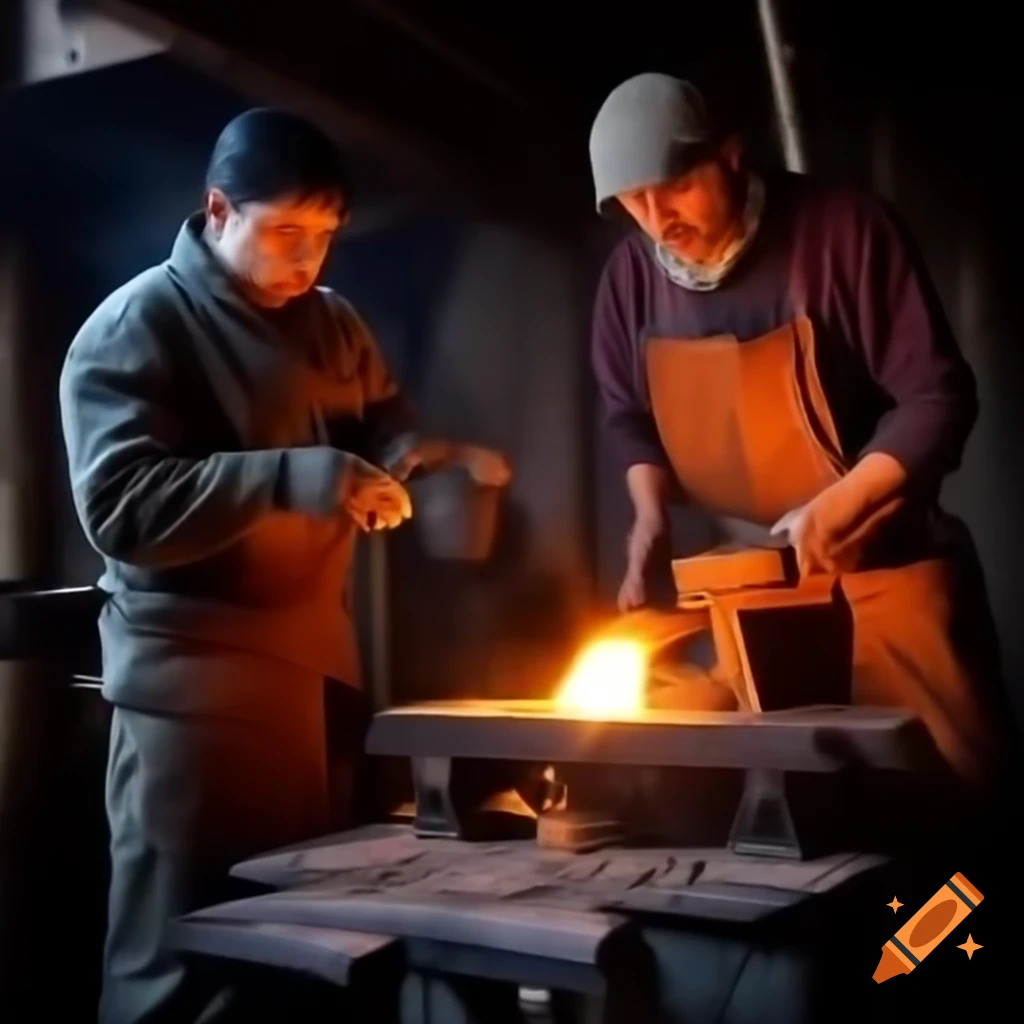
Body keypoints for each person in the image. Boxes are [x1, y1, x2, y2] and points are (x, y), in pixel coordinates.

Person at [59, 107, 510, 1024]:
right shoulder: (136, 326)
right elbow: (121, 508)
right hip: (188, 697)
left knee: (299, 952)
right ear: (218, 210)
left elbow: (381, 415)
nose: (307, 261)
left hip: (311, 686)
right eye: (286, 233)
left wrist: (418, 454)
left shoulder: (332, 325)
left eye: (326, 238)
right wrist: (294, 479)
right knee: (179, 964)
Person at [587, 73, 1013, 792]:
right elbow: (627, 414)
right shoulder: (629, 280)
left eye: (676, 185)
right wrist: (649, 515)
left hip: (893, 582)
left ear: (730, 153)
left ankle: (942, 912)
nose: (658, 218)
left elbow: (938, 397)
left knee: (959, 813)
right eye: (633, 201)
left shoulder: (845, 233)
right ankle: (865, 914)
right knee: (804, 818)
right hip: (756, 604)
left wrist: (840, 507)